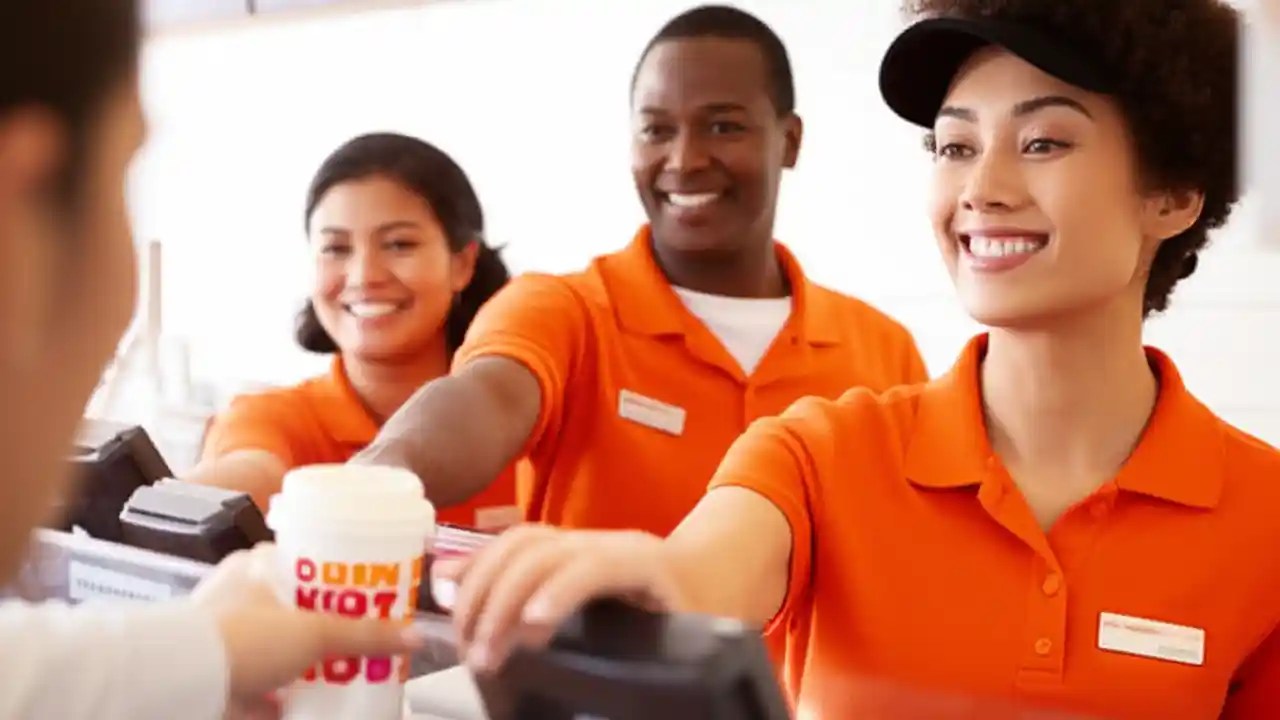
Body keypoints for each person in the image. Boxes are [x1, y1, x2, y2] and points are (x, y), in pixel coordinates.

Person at [435, 1, 1280, 718]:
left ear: (1171, 194)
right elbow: (701, 570)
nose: (980, 187)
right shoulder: (818, 453)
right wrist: (648, 575)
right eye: (954, 147)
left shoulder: (1263, 519)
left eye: (1043, 143)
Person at [355, 3, 926, 541]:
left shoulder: (882, 350)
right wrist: (376, 480)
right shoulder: (562, 311)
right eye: (657, 131)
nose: (684, 160)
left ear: (790, 141)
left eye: (723, 127)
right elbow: (483, 401)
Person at [0, 3, 419, 719]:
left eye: (400, 244)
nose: (366, 275)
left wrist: (194, 652)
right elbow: (241, 470)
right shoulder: (278, 412)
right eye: (121, 176)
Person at [188, 133, 519, 530]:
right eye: (336, 249)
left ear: (463, 265)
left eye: (399, 245)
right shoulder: (271, 418)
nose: (364, 276)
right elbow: (252, 475)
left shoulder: (529, 423)